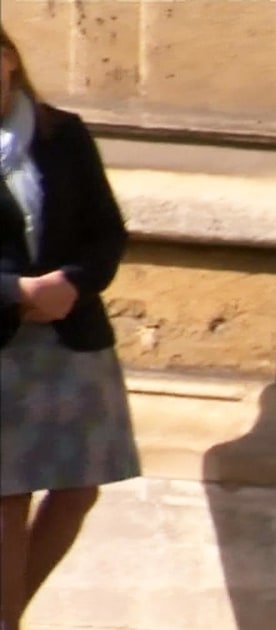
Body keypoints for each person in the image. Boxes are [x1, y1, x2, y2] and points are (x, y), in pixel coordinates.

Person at [0, 26, 141, 630]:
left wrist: (74, 282)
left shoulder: (64, 134)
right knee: (5, 498)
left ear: (7, 60)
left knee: (79, 486)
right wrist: (14, 292)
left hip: (70, 337)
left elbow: (108, 232)